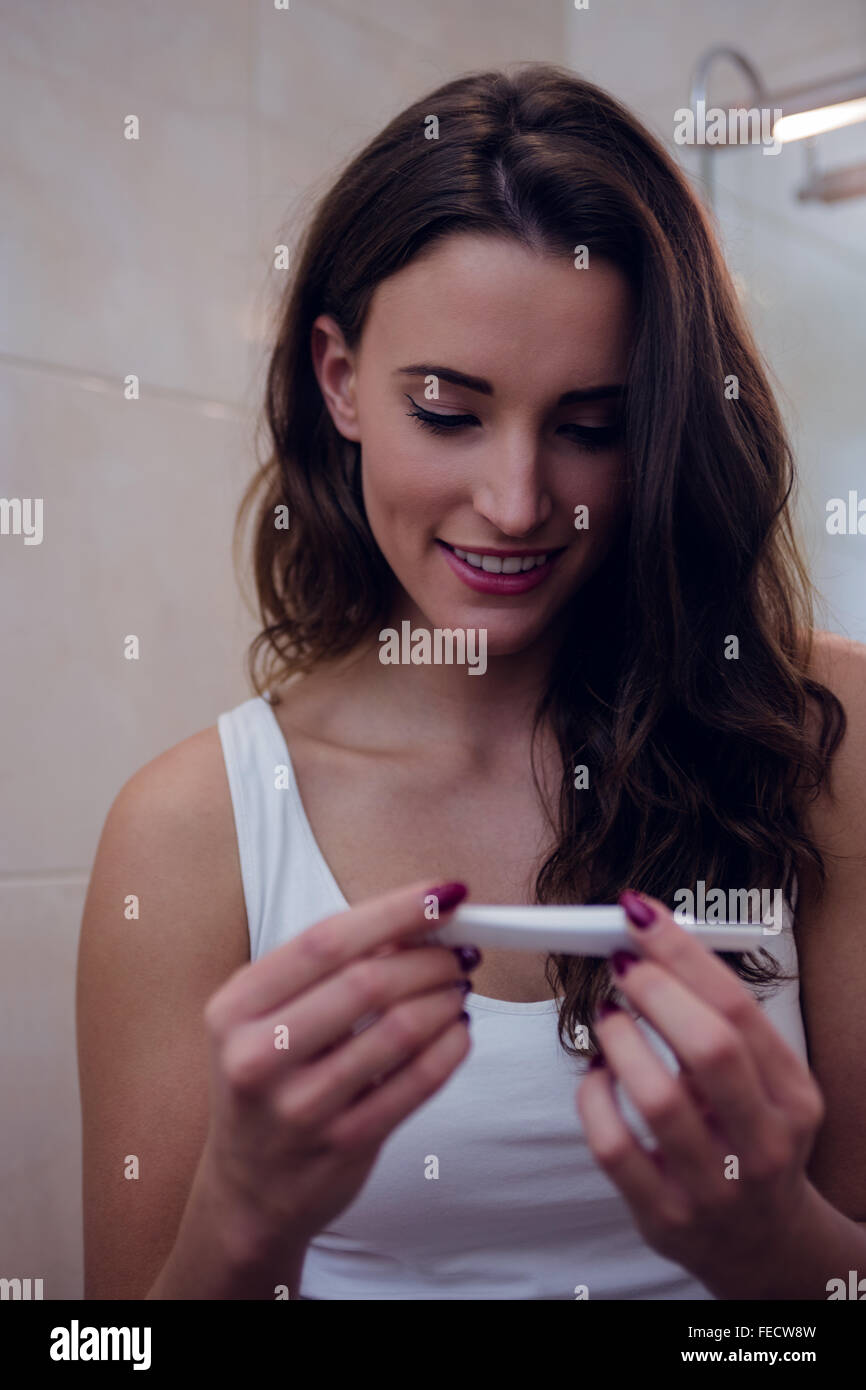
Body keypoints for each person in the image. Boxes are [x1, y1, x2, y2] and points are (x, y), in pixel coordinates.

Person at [76, 63, 866, 1301]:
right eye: (447, 410)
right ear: (338, 381)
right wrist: (237, 1222)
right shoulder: (190, 832)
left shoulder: (826, 739)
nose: (515, 503)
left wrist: (776, 1249)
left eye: (590, 425)